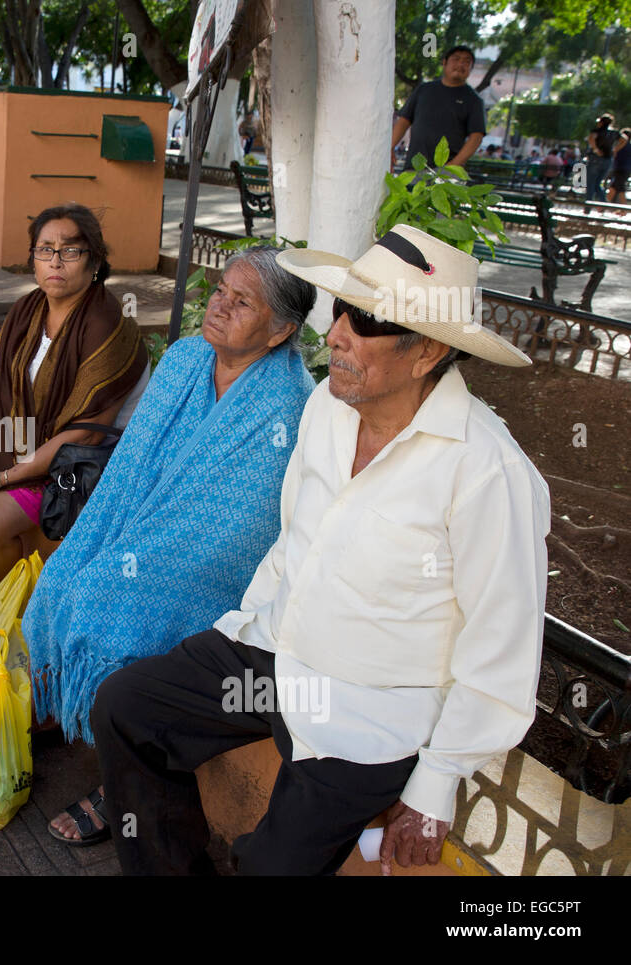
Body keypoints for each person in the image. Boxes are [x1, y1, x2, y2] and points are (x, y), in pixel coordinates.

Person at [90, 225, 550, 876]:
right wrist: (242, 624)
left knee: (271, 866)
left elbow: (502, 651)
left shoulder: (487, 471)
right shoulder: (329, 410)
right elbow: (291, 542)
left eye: (364, 320)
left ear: (428, 352)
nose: (336, 333)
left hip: (368, 713)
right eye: (341, 308)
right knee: (125, 707)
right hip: (276, 657)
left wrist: (437, 780)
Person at [24, 248, 318, 846]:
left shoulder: (289, 404)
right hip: (141, 532)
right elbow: (133, 469)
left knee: (117, 604)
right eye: (220, 290)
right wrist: (109, 543)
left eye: (243, 302)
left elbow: (242, 527)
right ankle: (66, 704)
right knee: (64, 576)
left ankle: (118, 785)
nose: (220, 305)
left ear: (282, 330)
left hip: (213, 569)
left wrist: (141, 565)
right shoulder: (184, 359)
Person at [0, 204, 149, 610]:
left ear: (94, 261)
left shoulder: (109, 326)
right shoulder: (27, 310)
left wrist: (3, 478)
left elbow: (86, 434)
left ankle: (9, 598)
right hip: (24, 443)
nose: (55, 261)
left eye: (70, 251)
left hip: (79, 467)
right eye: (45, 250)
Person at [391, 45, 485, 172]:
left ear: (471, 69)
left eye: (466, 62)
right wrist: (390, 148)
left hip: (447, 174)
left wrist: (453, 165)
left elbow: (476, 137)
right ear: (444, 62)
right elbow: (404, 120)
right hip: (413, 168)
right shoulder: (423, 90)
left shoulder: (474, 100)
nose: (460, 64)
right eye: (456, 59)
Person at [584, 113, 626, 202]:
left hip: (595, 159)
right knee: (597, 184)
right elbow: (624, 140)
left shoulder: (597, 131)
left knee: (591, 183)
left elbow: (591, 138)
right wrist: (615, 150)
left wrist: (596, 149)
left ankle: (588, 206)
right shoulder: (614, 133)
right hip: (607, 159)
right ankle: (603, 203)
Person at [607, 127, 631, 204]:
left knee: (619, 188)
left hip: (621, 169)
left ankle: (623, 209)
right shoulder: (628, 146)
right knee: (614, 187)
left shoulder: (621, 146)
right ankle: (603, 206)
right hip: (625, 169)